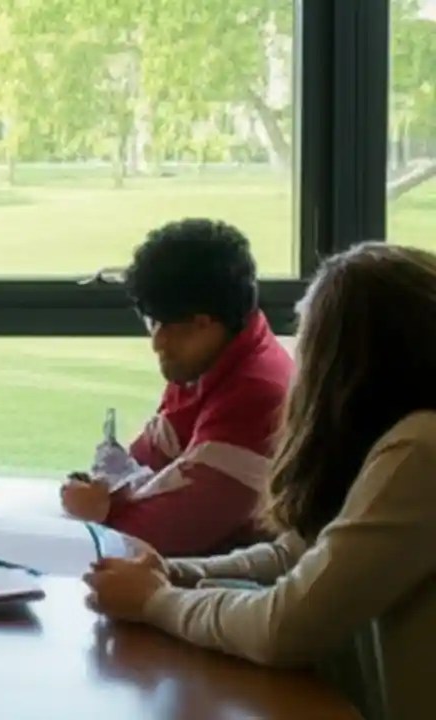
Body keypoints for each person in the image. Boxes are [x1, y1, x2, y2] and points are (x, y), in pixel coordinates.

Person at [84, 243, 436, 720]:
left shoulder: (422, 449)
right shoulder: (395, 435)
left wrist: (157, 601)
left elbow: (285, 627)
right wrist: (179, 573)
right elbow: (302, 551)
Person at [60, 219, 293, 556]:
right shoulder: (211, 360)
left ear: (204, 323)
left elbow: (156, 540)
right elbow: (139, 461)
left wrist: (98, 511)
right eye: (152, 322)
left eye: (167, 326)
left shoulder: (259, 396)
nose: (157, 343)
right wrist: (106, 495)